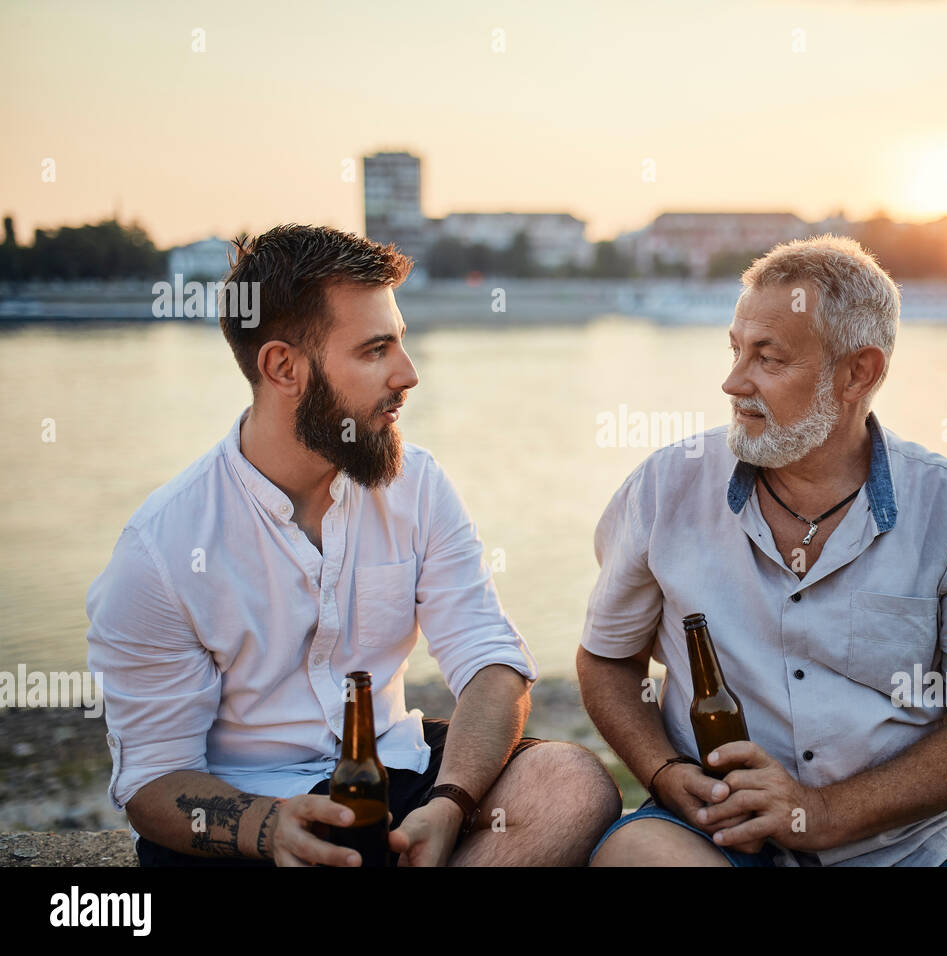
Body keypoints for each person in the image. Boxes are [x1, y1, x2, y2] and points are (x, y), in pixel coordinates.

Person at [86, 224, 621, 867]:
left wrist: (449, 803)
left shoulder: (416, 482)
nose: (408, 373)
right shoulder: (160, 549)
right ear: (283, 366)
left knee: (572, 785)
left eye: (400, 342)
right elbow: (152, 782)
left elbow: (491, 664)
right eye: (375, 351)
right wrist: (268, 829)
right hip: (250, 810)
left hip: (400, 774)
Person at [578, 235, 947, 867]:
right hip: (717, 829)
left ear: (859, 372)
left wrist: (820, 813)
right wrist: (661, 771)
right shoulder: (666, 485)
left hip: (901, 849)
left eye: (768, 358)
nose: (733, 382)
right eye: (737, 350)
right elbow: (608, 660)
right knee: (636, 855)